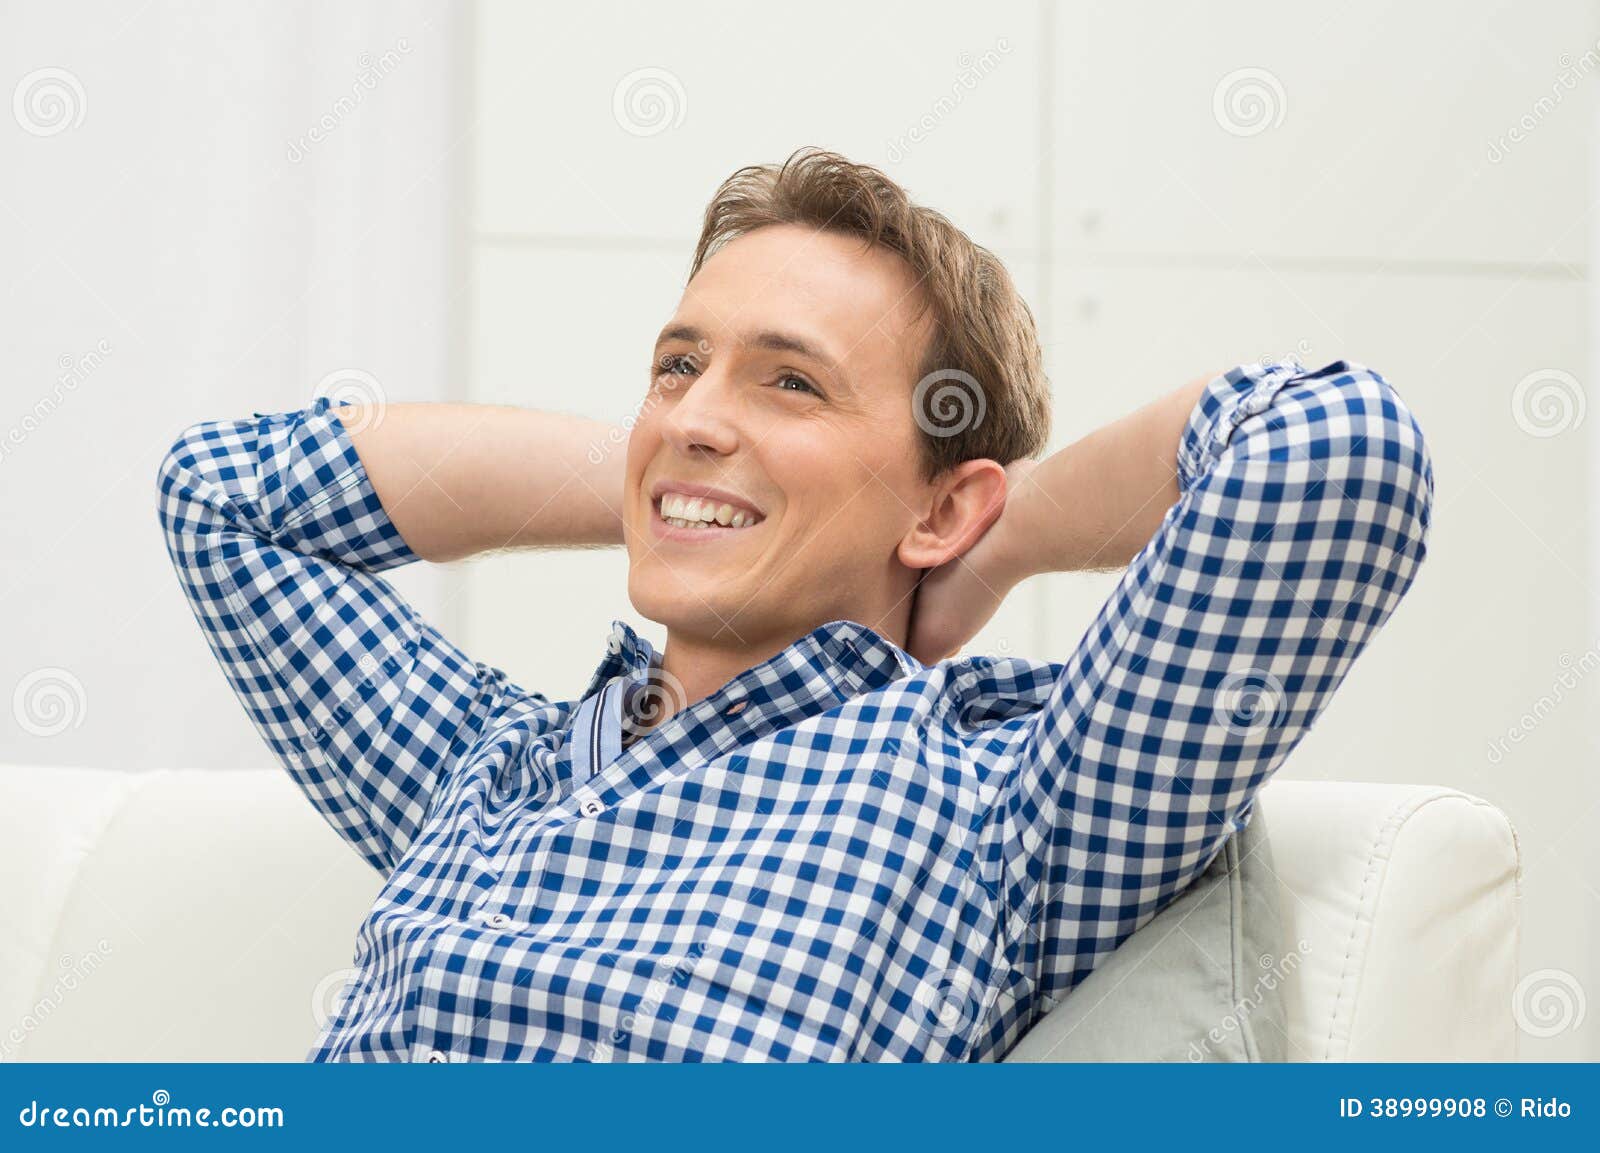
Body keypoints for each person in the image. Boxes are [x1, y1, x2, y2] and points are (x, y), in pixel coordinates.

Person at [156, 149, 1433, 1062]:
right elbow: (220, 495)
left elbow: (1333, 447)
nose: (698, 411)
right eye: (677, 364)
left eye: (791, 385)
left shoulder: (991, 808)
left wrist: (990, 548)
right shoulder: (485, 766)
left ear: (941, 504)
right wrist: (668, 473)